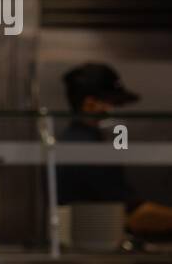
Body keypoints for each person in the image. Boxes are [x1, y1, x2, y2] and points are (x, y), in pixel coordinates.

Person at [57, 62, 172, 236]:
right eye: (115, 103)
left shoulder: (77, 142)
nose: (119, 111)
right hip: (94, 245)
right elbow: (135, 215)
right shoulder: (88, 151)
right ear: (90, 104)